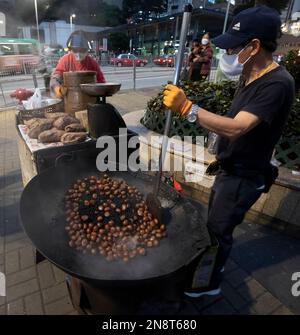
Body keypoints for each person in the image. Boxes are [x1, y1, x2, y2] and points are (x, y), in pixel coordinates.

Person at [163, 6, 295, 297]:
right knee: (216, 225)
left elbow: (238, 127)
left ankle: (207, 284)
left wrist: (187, 108)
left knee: (217, 232)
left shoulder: (278, 84)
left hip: (244, 176)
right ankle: (208, 273)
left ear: (255, 46)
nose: (228, 53)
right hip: (230, 168)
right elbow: (234, 119)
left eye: (234, 47)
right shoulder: (250, 72)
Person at [50, 31, 106, 99]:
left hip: (89, 97)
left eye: (82, 50)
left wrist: (98, 90)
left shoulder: (92, 63)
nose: (78, 54)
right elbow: (56, 76)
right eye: (75, 50)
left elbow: (101, 81)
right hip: (70, 97)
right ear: (71, 50)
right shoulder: (65, 60)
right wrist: (57, 88)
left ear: (87, 50)